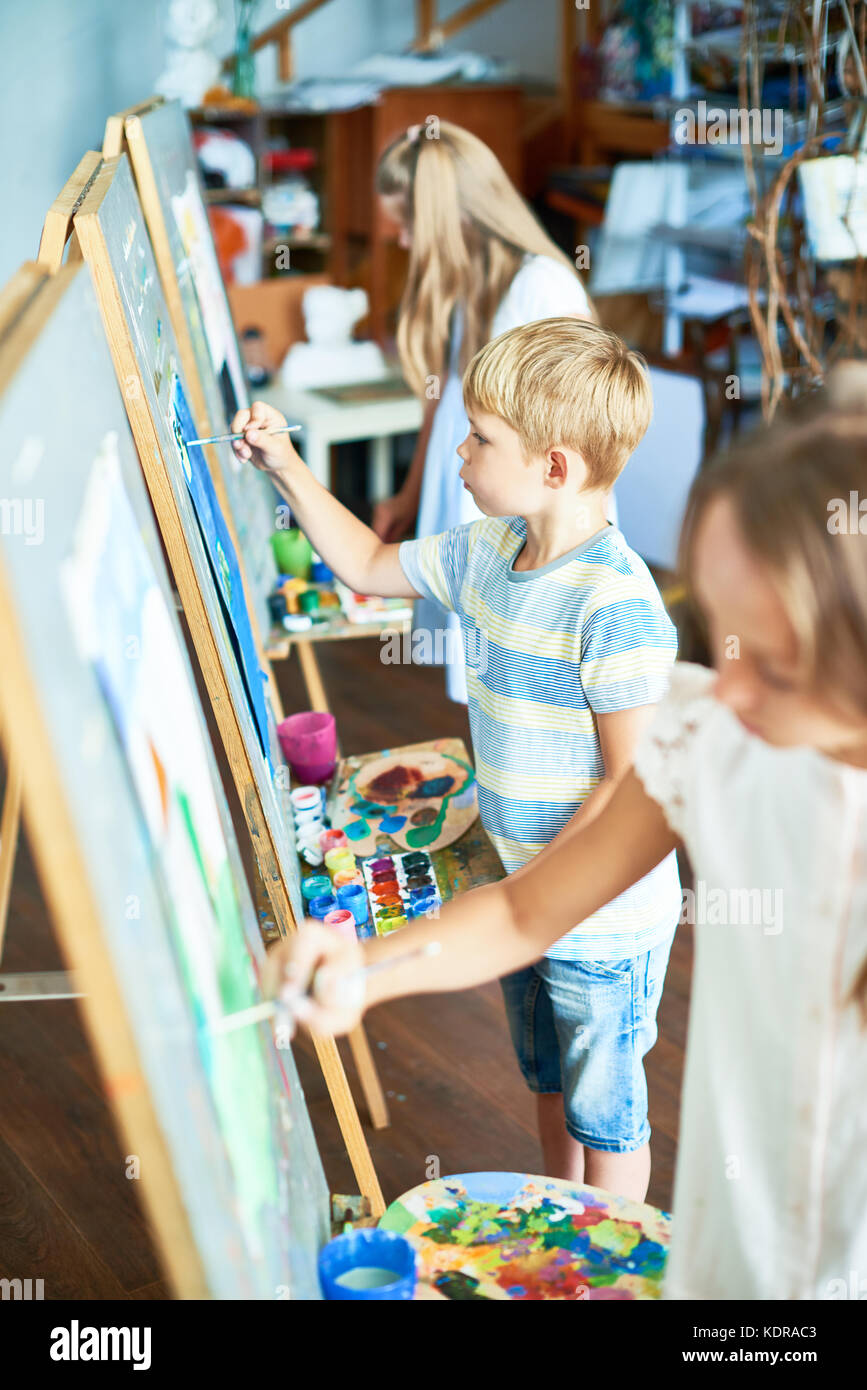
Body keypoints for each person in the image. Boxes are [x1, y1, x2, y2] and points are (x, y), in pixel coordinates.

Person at [278, 396, 867, 1301]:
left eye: (776, 665)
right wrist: (363, 967)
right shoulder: (710, 735)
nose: (724, 687)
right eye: (719, 634)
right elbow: (524, 910)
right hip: (727, 1267)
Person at [232, 314, 681, 1202]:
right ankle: (560, 1210)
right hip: (515, 891)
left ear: (554, 467)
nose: (459, 454)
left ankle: (607, 1252)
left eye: (480, 439)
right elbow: (364, 560)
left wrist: (537, 892)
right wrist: (286, 465)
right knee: (548, 1085)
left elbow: (630, 788)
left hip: (600, 920)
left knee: (609, 1117)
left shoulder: (614, 605)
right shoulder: (484, 550)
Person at [373, 121, 594, 702]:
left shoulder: (542, 290)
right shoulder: (468, 289)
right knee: (484, 695)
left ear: (448, 219)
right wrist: (409, 493)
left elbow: (573, 445)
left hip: (529, 537)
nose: (401, 243)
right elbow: (443, 402)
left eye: (407, 226)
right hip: (477, 516)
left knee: (528, 696)